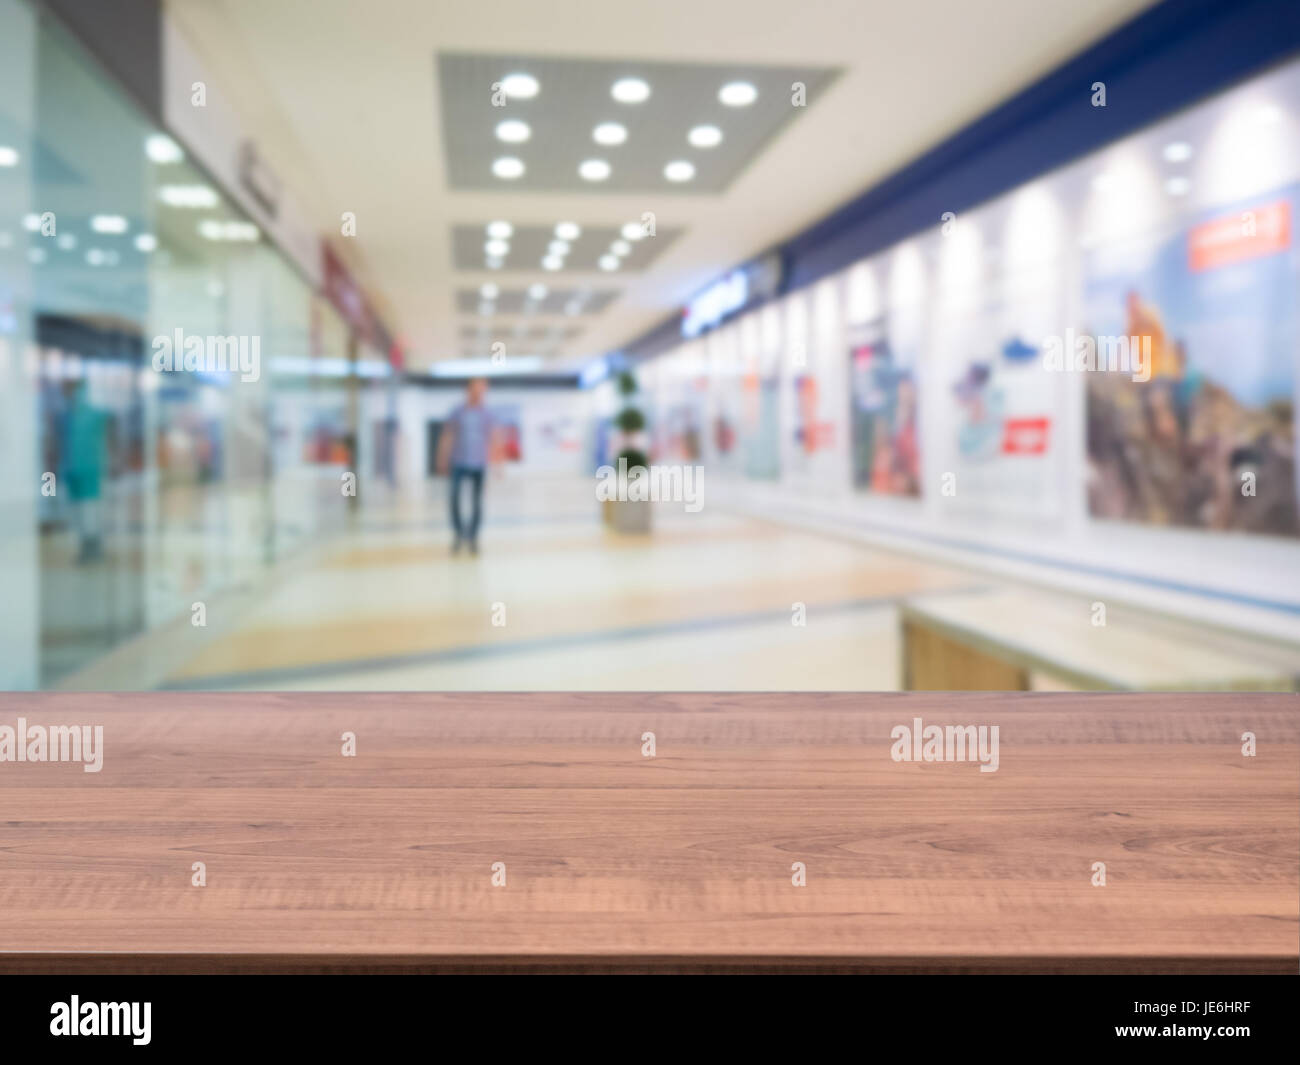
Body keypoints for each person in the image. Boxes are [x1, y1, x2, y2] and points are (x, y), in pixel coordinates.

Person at [437, 377, 493, 554]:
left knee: (477, 501)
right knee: (454, 498)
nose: (479, 392)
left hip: (479, 462)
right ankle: (459, 533)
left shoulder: (487, 414)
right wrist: (442, 458)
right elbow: (447, 435)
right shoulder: (457, 412)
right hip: (458, 461)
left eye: (482, 389)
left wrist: (497, 464)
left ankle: (473, 536)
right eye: (476, 388)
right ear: (468, 390)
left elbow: (493, 439)